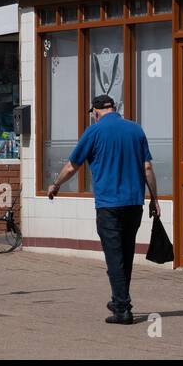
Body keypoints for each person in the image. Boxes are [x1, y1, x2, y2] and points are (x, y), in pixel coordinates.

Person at [47, 94, 159, 325]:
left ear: (96, 112)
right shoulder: (135, 130)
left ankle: (122, 309)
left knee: (114, 257)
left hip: (109, 206)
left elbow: (71, 166)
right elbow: (147, 167)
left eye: (92, 114)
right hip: (133, 204)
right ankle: (120, 299)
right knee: (125, 254)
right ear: (114, 108)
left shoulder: (94, 132)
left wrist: (56, 185)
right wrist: (154, 199)